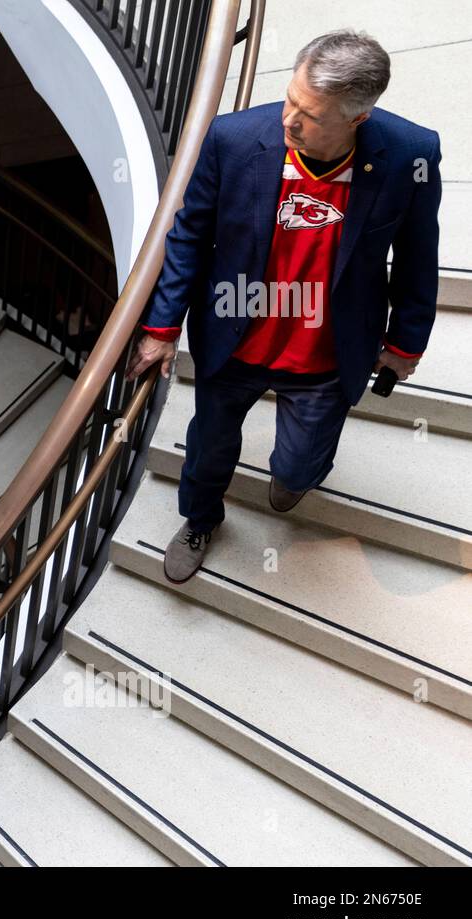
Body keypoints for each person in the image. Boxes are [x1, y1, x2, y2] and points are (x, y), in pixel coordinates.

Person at [125, 29, 442, 584]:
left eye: (310, 115)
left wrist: (405, 342)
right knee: (208, 449)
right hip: (236, 339)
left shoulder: (410, 156)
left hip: (328, 355)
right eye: (291, 99)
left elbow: (418, 255)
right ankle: (200, 521)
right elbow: (189, 235)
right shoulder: (234, 138)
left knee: (300, 468)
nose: (288, 120)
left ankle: (293, 477)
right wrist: (161, 326)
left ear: (357, 119)